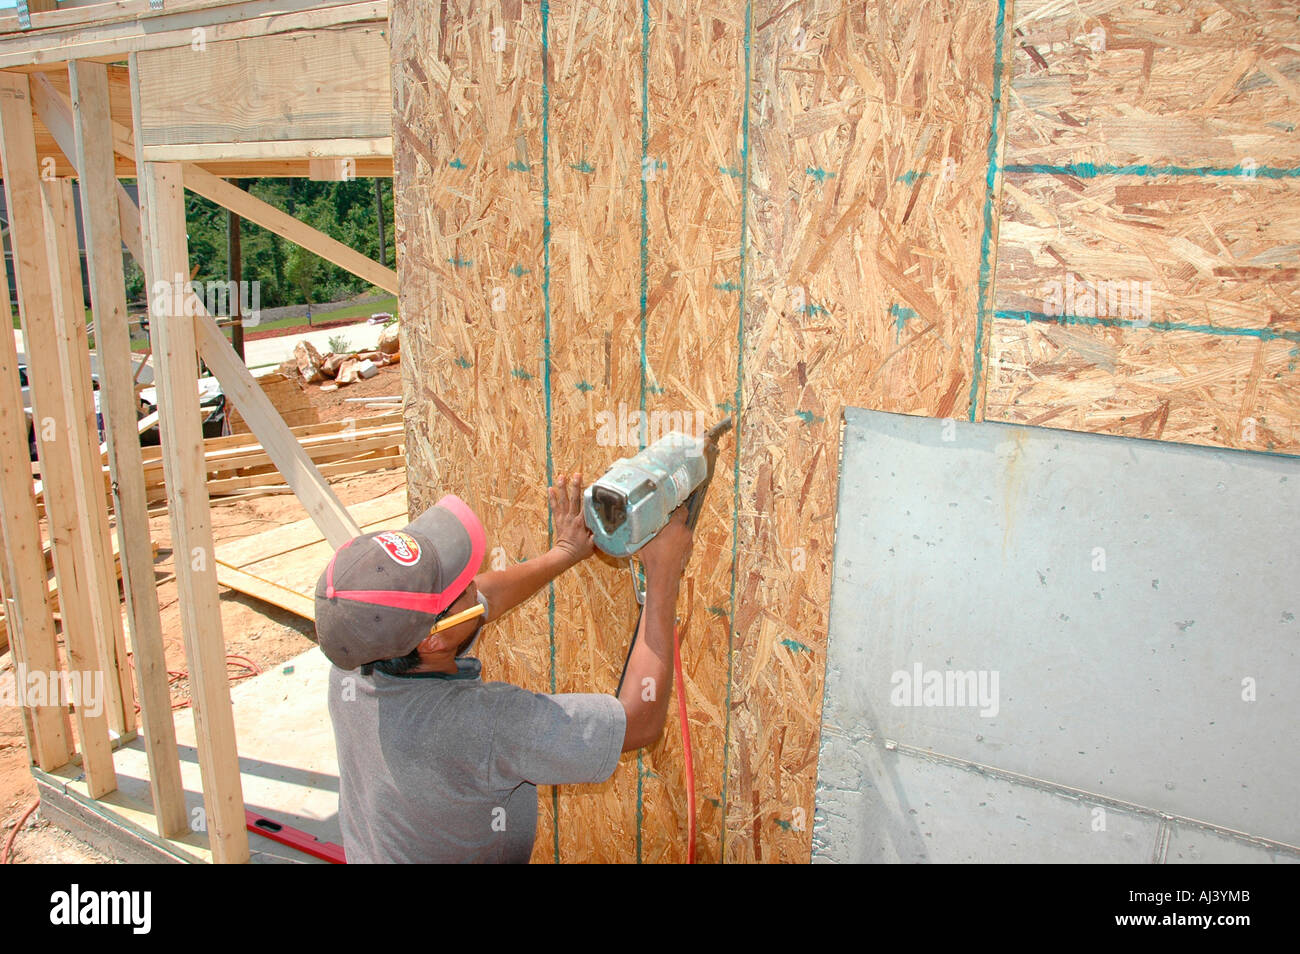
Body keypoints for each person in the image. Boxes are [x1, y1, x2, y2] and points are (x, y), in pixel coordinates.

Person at [313, 473, 693, 863]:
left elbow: (481, 600)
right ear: (434, 639)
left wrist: (564, 551)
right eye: (461, 586)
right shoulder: (482, 723)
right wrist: (662, 576)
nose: (475, 583)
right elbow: (638, 721)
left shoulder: (354, 658)